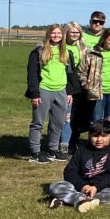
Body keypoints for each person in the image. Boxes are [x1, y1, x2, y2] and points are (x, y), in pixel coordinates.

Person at [27, 24, 80, 163]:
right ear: (48, 34)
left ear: (62, 35)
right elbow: (32, 74)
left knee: (58, 123)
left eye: (59, 33)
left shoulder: (67, 52)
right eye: (53, 33)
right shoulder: (38, 51)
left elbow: (70, 74)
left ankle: (53, 150)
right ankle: (35, 153)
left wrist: (69, 92)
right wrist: (35, 94)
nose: (56, 35)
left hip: (61, 91)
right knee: (38, 123)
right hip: (44, 90)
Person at [46, 120, 110, 212]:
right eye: (95, 136)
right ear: (89, 136)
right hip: (81, 188)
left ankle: (68, 200)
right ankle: (82, 200)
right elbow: (69, 171)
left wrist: (96, 187)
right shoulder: (83, 149)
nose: (99, 140)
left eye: (104, 136)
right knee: (55, 187)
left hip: (104, 188)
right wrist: (83, 186)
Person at [61, 22, 90, 155]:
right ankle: (63, 144)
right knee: (66, 117)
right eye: (71, 32)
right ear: (66, 32)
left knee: (76, 117)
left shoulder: (83, 48)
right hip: (65, 85)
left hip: (80, 86)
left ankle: (74, 142)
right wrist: (68, 90)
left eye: (77, 32)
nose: (74, 34)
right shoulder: (61, 48)